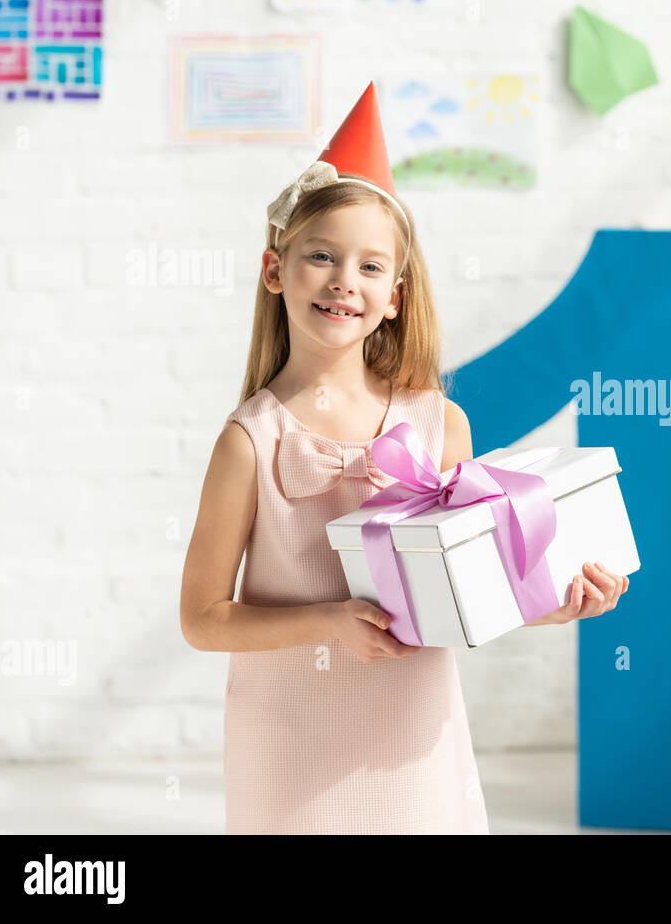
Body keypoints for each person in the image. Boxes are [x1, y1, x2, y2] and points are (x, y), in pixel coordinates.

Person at [178, 82, 629, 834]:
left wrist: (554, 606)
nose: (343, 281)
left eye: (369, 266)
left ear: (395, 294)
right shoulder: (249, 440)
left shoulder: (438, 421)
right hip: (290, 739)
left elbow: (464, 589)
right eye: (321, 255)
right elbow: (202, 617)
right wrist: (328, 623)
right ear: (274, 270)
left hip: (410, 736)